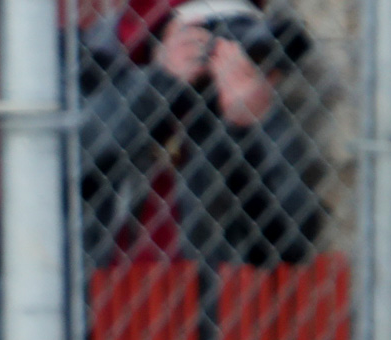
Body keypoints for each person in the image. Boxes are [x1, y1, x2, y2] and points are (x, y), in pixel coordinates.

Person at [81, 0, 323, 267]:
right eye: (207, 33)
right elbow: (73, 162)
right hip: (106, 294)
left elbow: (294, 240)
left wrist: (257, 123)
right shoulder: (85, 61)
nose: (223, 49)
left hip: (218, 299)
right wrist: (159, 83)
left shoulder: (237, 95)